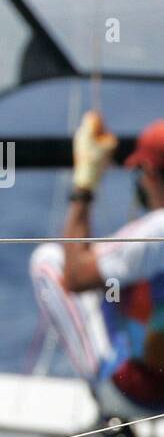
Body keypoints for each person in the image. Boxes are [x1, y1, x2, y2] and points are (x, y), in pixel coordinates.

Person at [30, 111, 164, 419]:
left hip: (138, 395)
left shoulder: (158, 229)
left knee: (47, 262)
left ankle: (102, 395)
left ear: (150, 173)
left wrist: (85, 183)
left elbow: (75, 275)